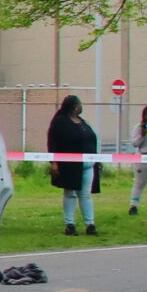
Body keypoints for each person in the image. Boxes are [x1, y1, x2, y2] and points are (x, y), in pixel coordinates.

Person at [47, 95, 99, 236]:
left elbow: (91, 140)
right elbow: (53, 142)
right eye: (79, 104)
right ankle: (70, 224)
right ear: (74, 106)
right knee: (70, 194)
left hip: (87, 165)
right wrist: (54, 162)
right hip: (69, 165)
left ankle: (90, 224)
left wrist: (97, 160)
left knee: (85, 195)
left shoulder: (83, 122)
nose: (80, 107)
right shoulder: (60, 122)